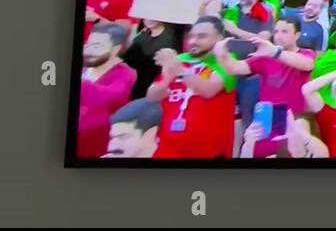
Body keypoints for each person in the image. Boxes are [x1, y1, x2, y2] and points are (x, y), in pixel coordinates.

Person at [147, 16, 238, 160]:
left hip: (208, 152)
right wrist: (166, 79)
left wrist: (178, 69)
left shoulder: (228, 62)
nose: (193, 41)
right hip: (166, 149)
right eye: (191, 36)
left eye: (201, 36)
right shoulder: (180, 60)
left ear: (219, 39)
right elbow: (152, 96)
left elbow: (208, 90)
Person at [213, 17, 317, 118]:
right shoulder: (266, 55)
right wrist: (221, 55)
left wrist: (275, 52)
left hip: (296, 118)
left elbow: (307, 64)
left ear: (297, 35)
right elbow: (233, 68)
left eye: (284, 32)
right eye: (276, 31)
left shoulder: (305, 54)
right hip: (268, 118)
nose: (278, 36)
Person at [78, 23, 138, 159]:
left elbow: (108, 98)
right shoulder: (84, 67)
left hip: (97, 148)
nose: (90, 50)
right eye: (89, 44)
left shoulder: (125, 74)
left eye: (97, 46)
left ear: (115, 49)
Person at [121, 19, 183, 100]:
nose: (149, 20)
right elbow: (128, 58)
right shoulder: (142, 36)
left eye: (152, 17)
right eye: (146, 17)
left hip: (154, 83)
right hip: (135, 81)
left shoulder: (171, 37)